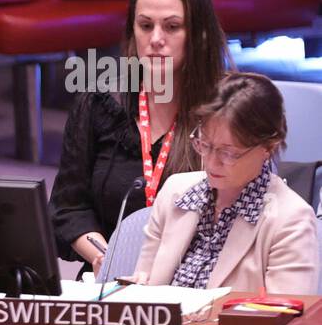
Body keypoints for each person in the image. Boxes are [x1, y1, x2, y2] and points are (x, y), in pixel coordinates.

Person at [51, 0, 231, 274]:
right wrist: (103, 256)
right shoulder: (99, 102)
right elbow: (69, 208)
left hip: (201, 281)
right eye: (145, 25)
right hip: (114, 281)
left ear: (199, 35)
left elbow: (245, 215)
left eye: (172, 27)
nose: (156, 39)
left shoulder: (227, 108)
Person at [131, 72, 318, 295]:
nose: (211, 162)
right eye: (204, 144)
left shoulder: (290, 220)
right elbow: (145, 287)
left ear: (268, 147)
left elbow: (284, 320)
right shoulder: (176, 192)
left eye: (228, 153)